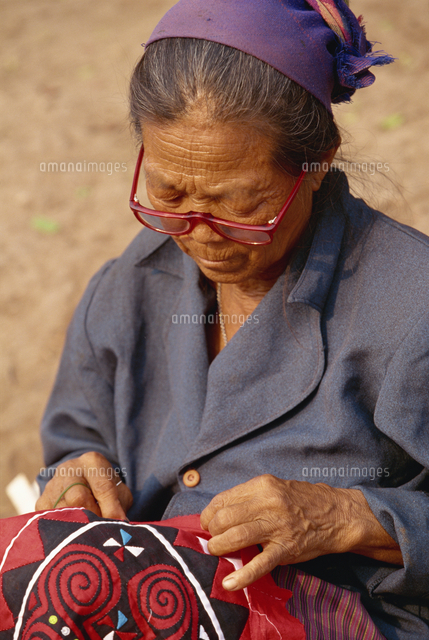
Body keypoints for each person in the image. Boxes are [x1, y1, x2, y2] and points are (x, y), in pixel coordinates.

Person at [28, 0, 429, 637]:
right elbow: (78, 440)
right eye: (168, 194)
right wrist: (80, 472)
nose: (200, 233)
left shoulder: (412, 306)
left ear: (317, 160)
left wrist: (347, 515)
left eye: (240, 204)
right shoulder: (133, 282)